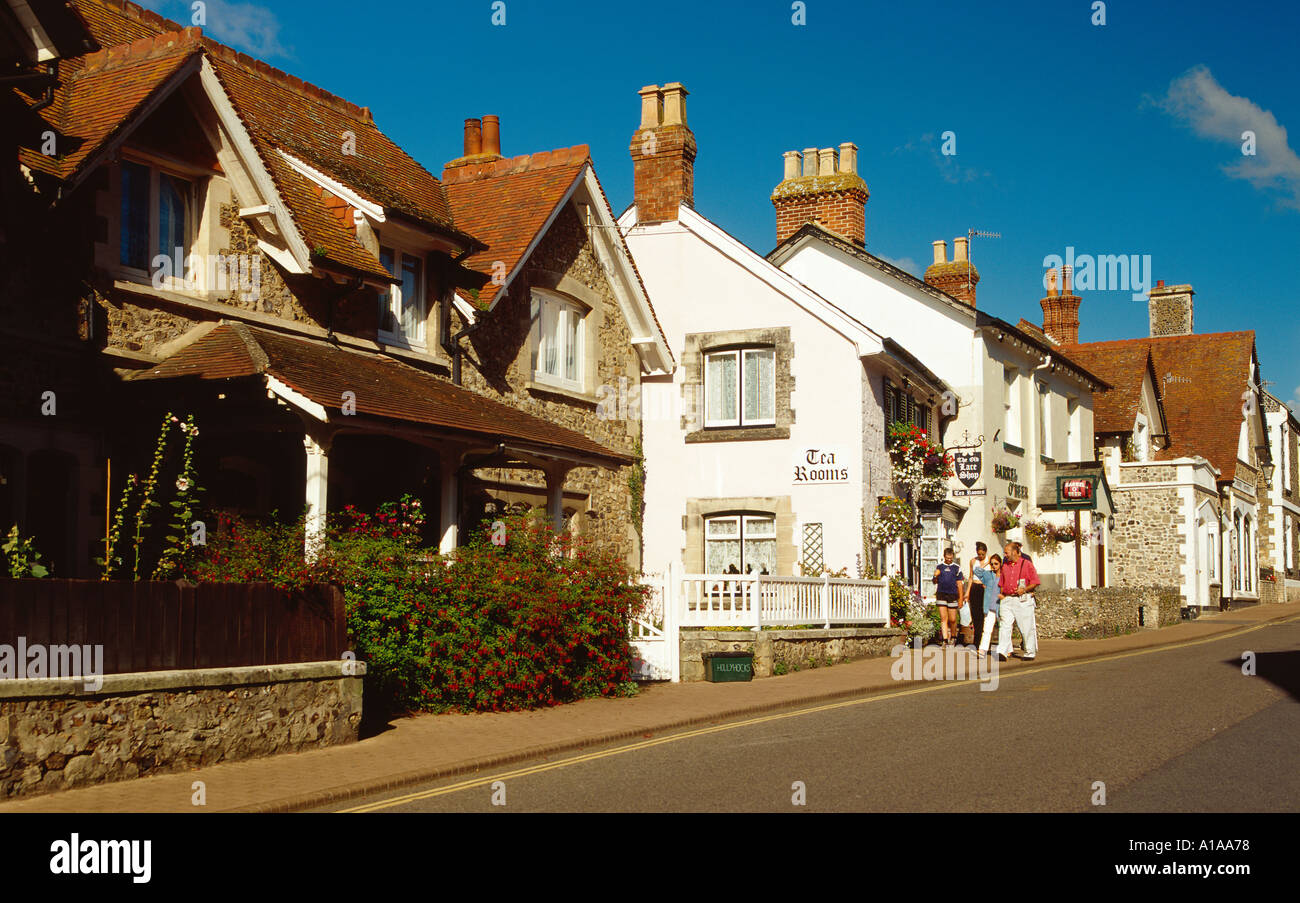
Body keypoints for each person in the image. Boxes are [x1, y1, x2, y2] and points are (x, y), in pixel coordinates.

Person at [996, 541, 1040, 662]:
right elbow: (1001, 583)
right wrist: (1001, 594)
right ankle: (1002, 651)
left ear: (1015, 552)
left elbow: (1035, 581)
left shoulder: (1027, 564)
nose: (1005, 555)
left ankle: (1029, 652)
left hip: (1022, 599)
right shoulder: (1005, 566)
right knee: (1005, 625)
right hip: (1007, 598)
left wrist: (1024, 589)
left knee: (1026, 626)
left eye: (1006, 552)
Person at [971, 553, 1002, 658]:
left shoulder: (1004, 575)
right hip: (989, 606)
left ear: (1000, 564)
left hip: (1001, 606)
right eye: (992, 564)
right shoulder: (988, 574)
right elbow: (976, 571)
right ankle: (982, 649)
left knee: (1004, 629)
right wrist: (987, 563)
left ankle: (1005, 649)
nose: (994, 566)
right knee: (987, 629)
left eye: (996, 564)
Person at [932, 547, 963, 646]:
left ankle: (953, 636)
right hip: (941, 593)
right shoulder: (940, 566)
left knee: (952, 619)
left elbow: (959, 584)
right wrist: (935, 576)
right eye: (947, 558)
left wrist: (961, 598)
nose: (949, 560)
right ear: (944, 557)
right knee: (943, 618)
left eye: (950, 558)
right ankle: (945, 639)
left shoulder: (956, 567)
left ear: (953, 557)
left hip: (952, 594)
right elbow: (934, 582)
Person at [961, 542, 989, 646]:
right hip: (975, 588)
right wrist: (967, 592)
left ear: (986, 552)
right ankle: (977, 641)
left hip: (985, 588)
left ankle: (984, 640)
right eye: (979, 554)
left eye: (983, 554)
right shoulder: (973, 561)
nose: (981, 556)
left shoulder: (990, 560)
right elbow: (971, 577)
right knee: (976, 615)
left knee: (984, 615)